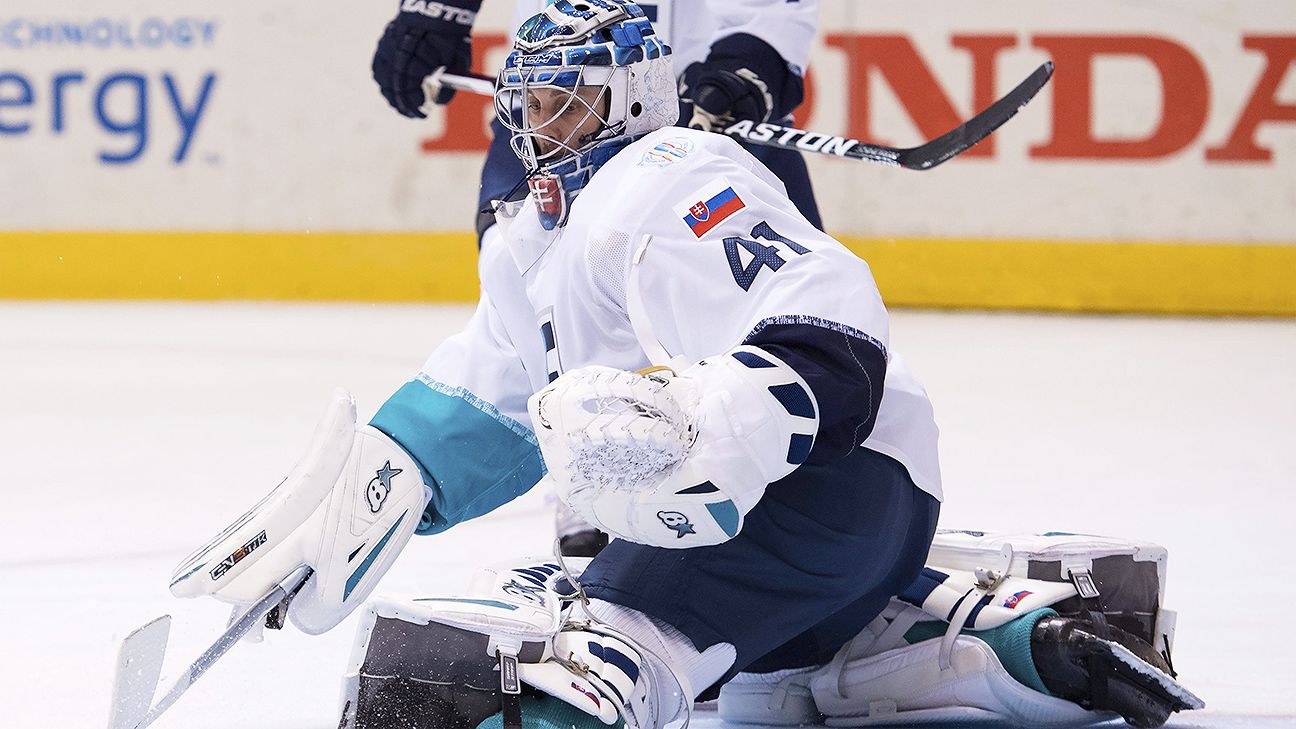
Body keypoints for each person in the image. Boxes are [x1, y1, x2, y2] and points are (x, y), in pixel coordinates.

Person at [168, 4, 1199, 729]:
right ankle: (994, 647)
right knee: (771, 682)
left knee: (594, 653)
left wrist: (707, 423)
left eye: (567, 105)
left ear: (629, 105)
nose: (538, 128)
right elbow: (486, 396)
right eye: (528, 106)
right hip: (819, 541)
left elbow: (831, 324)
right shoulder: (536, 234)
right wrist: (359, 500)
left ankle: (640, 649)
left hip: (825, 492)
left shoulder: (681, 174)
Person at [373, 0, 827, 556]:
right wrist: (439, 8)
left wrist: (754, 55)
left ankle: (815, 510)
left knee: (789, 309)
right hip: (564, 85)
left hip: (713, 92)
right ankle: (587, 455)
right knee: (527, 266)